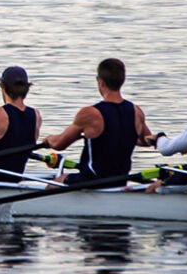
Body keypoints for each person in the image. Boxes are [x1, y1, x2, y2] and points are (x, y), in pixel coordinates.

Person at [45, 58, 152, 186]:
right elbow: (147, 140)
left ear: (101, 83)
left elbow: (59, 144)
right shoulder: (136, 112)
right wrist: (123, 136)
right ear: (121, 82)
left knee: (54, 183)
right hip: (120, 180)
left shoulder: (90, 114)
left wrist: (49, 140)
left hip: (91, 181)